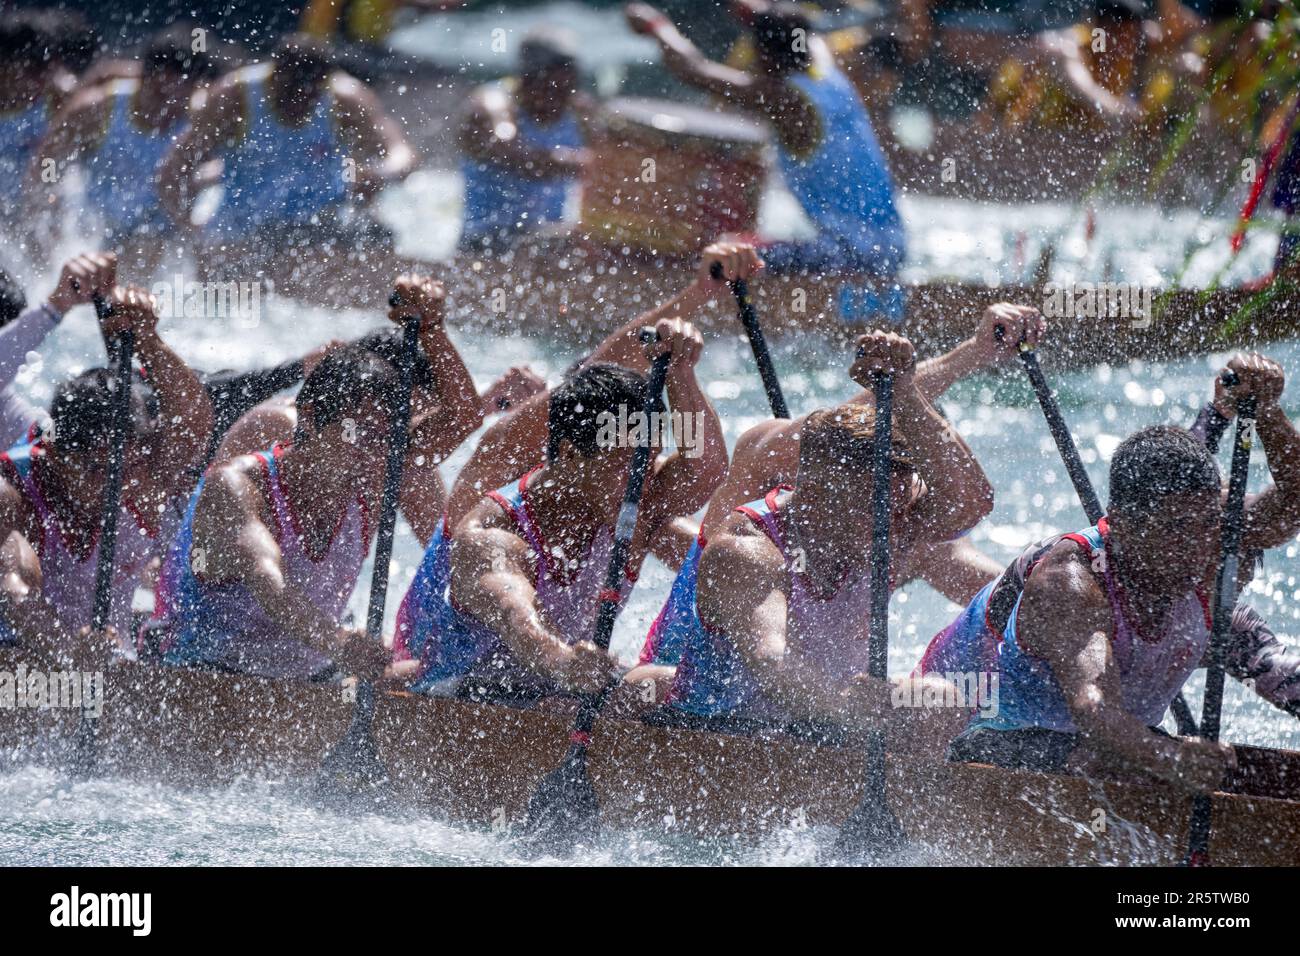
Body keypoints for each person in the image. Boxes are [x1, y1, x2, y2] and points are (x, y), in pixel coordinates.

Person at [916, 354, 1300, 791]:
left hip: (1095, 739)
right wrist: (1173, 757)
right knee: (1118, 762)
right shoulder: (1070, 582)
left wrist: (1267, 411)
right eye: (1174, 530)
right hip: (971, 730)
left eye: (1206, 527)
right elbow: (1094, 709)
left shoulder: (1205, 532)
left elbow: (1291, 501)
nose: (1197, 549)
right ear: (1120, 525)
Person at [634, 302, 1042, 692]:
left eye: (904, 486)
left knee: (937, 700)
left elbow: (990, 561)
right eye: (871, 494)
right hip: (700, 689)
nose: (888, 512)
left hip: (831, 707)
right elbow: (833, 431)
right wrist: (969, 355)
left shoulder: (904, 524)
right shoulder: (765, 468)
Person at [648, 333, 988, 749]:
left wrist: (906, 392)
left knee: (942, 701)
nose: (895, 526)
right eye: (880, 508)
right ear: (819, 495)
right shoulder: (746, 547)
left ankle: (906, 806)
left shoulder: (883, 523)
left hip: (828, 721)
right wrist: (854, 708)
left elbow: (973, 503)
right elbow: (774, 664)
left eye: (900, 506)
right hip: (729, 732)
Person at [147, 277, 483, 679]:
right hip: (207, 675)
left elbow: (466, 415)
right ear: (308, 416)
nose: (371, 451)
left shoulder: (373, 477)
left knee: (442, 677)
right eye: (356, 432)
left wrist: (432, 329)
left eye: (382, 438)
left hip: (312, 677)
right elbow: (268, 581)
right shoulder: (234, 486)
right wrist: (341, 644)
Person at [394, 311, 726, 702]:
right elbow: (517, 618)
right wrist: (565, 664)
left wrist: (680, 372)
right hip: (464, 694)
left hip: (563, 692)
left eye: (650, 461)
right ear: (569, 453)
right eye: (627, 465)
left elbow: (706, 467)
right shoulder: (491, 528)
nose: (642, 484)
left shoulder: (636, 505)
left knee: (660, 685)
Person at [0, 284, 213, 672]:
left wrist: (148, 338)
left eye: (121, 470)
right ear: (53, 454)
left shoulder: (140, 476)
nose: (110, 485)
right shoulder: (10, 490)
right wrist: (71, 651)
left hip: (110, 667)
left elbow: (194, 424)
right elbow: (15, 588)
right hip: (22, 664)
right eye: (95, 470)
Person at [627, 1, 904, 276]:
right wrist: (759, 17)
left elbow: (693, 70)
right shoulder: (826, 71)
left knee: (723, 250)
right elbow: (799, 32)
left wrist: (655, 25)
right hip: (893, 247)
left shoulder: (786, 99)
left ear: (764, 56)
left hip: (852, 254)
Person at [159, 33, 415, 253]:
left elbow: (402, 155)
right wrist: (193, 232)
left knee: (380, 242)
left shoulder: (345, 98)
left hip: (319, 225)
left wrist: (379, 174)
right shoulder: (234, 97)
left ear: (322, 84)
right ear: (275, 76)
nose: (300, 102)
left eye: (310, 94)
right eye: (292, 91)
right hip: (244, 231)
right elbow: (172, 171)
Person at [28, 27, 220, 258]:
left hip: (158, 231)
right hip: (95, 227)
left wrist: (201, 187)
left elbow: (219, 172)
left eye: (181, 96)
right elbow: (45, 164)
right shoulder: (96, 109)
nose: (170, 106)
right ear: (144, 79)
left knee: (150, 245)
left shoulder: (199, 117)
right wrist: (48, 212)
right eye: (161, 95)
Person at [458, 26, 590, 251]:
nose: (557, 97)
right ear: (527, 78)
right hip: (488, 240)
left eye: (566, 88)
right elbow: (507, 149)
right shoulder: (493, 104)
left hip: (551, 236)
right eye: (550, 87)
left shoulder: (581, 111)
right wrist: (586, 164)